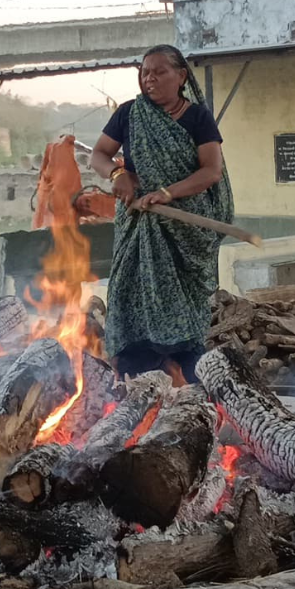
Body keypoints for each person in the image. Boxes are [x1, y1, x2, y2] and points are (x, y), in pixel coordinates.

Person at [90, 44, 234, 382]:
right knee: (128, 292)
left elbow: (211, 171)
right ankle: (135, 375)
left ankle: (189, 381)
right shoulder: (129, 113)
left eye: (159, 72)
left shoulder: (198, 117)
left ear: (181, 76)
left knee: (183, 303)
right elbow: (98, 155)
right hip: (138, 224)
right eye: (144, 73)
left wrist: (168, 194)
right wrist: (117, 174)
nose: (149, 79)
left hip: (185, 230)